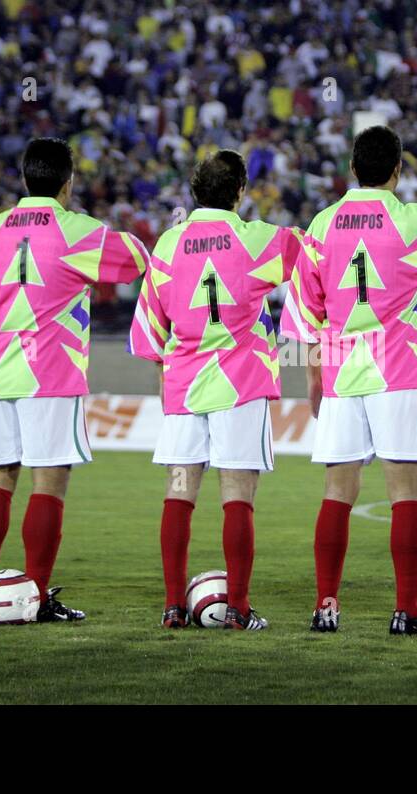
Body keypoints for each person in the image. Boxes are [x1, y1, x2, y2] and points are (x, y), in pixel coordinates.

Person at [281, 125, 417, 635]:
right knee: (402, 492)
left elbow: (305, 313)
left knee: (337, 491)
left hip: (340, 372)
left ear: (352, 169)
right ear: (398, 172)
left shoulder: (323, 225)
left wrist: (314, 377)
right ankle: (405, 611)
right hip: (398, 372)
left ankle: (325, 607)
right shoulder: (414, 222)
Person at [0, 137, 148, 622]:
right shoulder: (75, 230)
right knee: (49, 481)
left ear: (24, 179)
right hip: (51, 373)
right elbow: (138, 259)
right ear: (68, 183)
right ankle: (34, 595)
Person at [129, 150, 302, 630]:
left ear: (194, 191)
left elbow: (147, 332)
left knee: (179, 491)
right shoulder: (258, 239)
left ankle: (171, 606)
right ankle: (239, 610)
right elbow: (316, 255)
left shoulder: (166, 245)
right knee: (237, 496)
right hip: (240, 383)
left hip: (184, 386)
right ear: (241, 192)